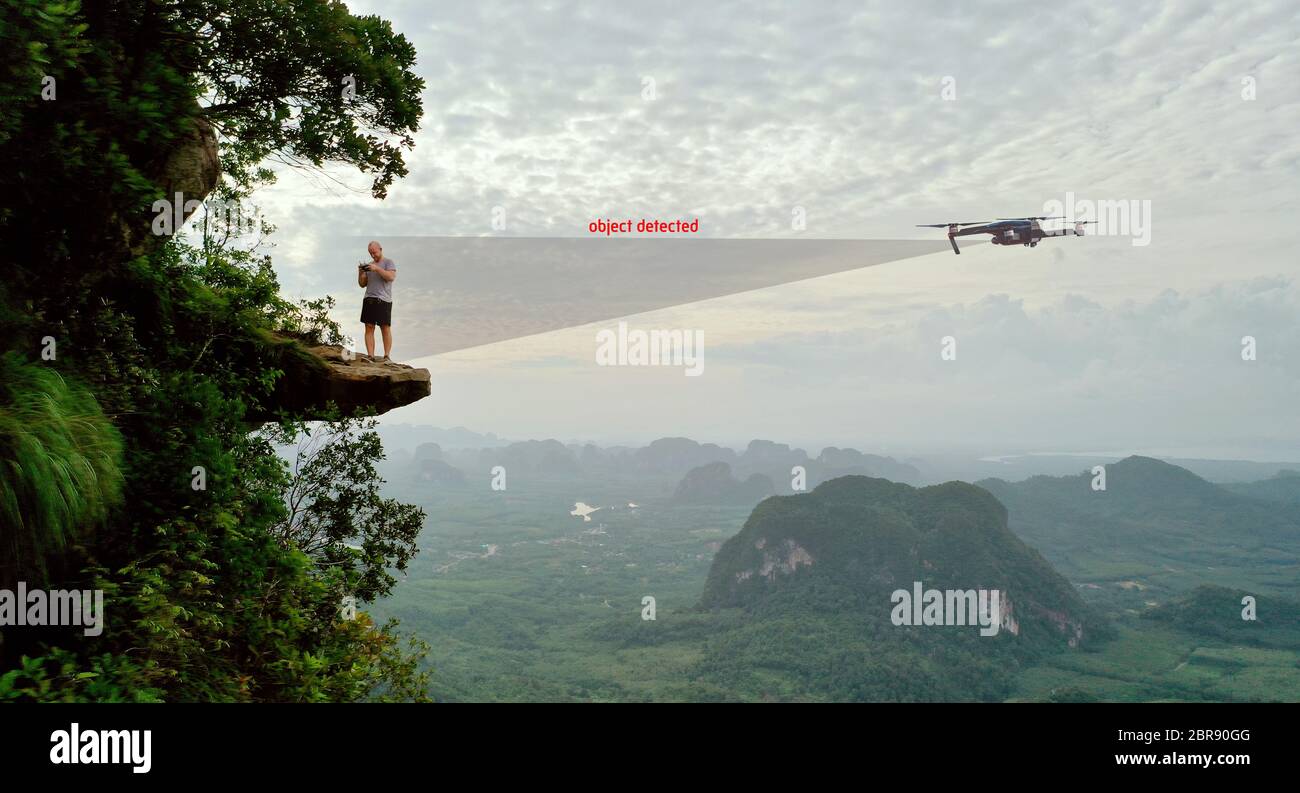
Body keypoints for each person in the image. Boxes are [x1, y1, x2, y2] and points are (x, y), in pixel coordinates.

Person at [357, 240, 397, 361]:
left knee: (385, 327)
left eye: (374, 252)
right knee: (369, 327)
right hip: (369, 299)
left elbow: (391, 277)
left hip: (384, 300)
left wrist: (377, 269)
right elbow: (362, 284)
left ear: (380, 249)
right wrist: (361, 273)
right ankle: (371, 356)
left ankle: (386, 356)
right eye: (370, 253)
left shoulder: (388, 262)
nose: (373, 255)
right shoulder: (369, 265)